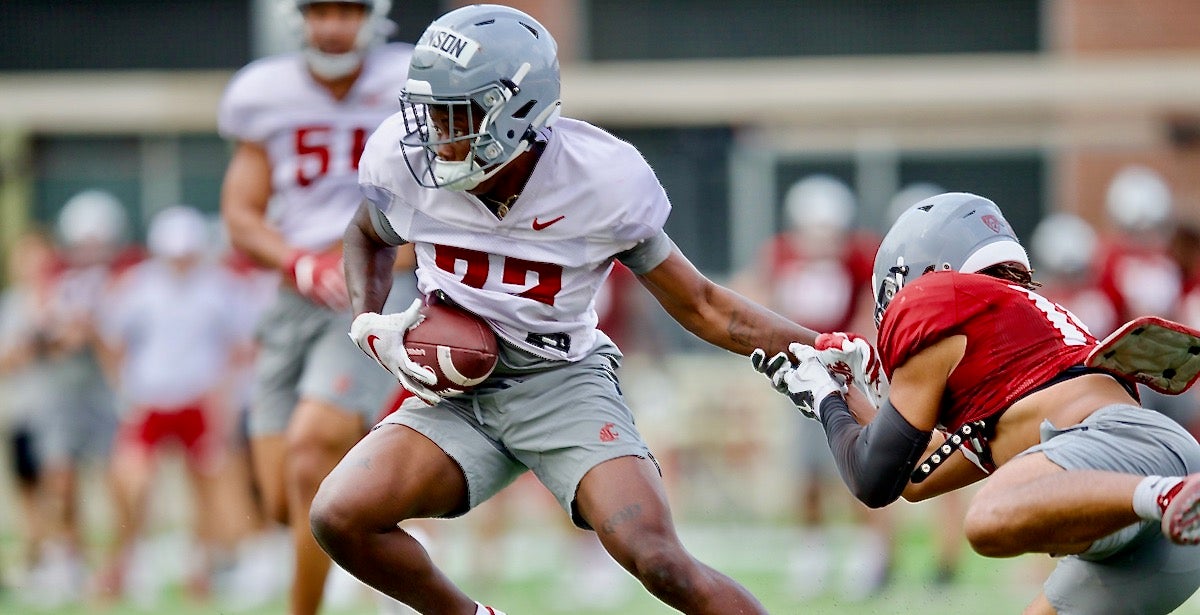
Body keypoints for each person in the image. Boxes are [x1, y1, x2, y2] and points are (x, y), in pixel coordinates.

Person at [308, 5, 817, 615]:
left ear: (518, 110)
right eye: (429, 111)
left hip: (562, 382)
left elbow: (703, 304)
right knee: (339, 516)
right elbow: (366, 232)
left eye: (457, 114)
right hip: (456, 394)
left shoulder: (599, 179)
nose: (435, 132)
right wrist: (370, 323)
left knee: (655, 557)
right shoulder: (406, 161)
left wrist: (813, 346)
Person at [752, 191, 1200, 614]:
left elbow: (871, 478)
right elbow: (907, 477)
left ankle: (1169, 496)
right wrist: (846, 394)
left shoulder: (939, 301)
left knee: (988, 518)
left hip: (1134, 465)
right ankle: (1167, 496)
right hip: (1144, 523)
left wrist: (827, 399)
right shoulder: (1007, 357)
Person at [216, 1, 419, 613]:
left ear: (374, 16)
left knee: (314, 446)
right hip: (296, 293)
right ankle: (389, 541)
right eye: (320, 10)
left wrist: (376, 257)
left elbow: (446, 198)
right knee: (285, 499)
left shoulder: (415, 80)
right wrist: (300, 262)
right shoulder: (263, 90)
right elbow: (240, 213)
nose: (332, 25)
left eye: (347, 10)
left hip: (377, 287)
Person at [732, 174, 893, 600]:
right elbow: (750, 293)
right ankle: (812, 553)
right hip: (802, 377)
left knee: (858, 464)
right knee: (806, 473)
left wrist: (848, 356)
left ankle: (870, 555)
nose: (821, 240)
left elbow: (871, 309)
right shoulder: (781, 255)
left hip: (847, 378)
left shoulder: (860, 257)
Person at [93, 206, 252, 606]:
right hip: (150, 400)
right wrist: (122, 387)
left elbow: (237, 347)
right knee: (133, 483)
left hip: (198, 400)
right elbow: (111, 340)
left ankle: (199, 571)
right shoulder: (139, 287)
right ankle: (123, 562)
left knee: (207, 490)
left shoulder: (220, 288)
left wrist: (223, 398)